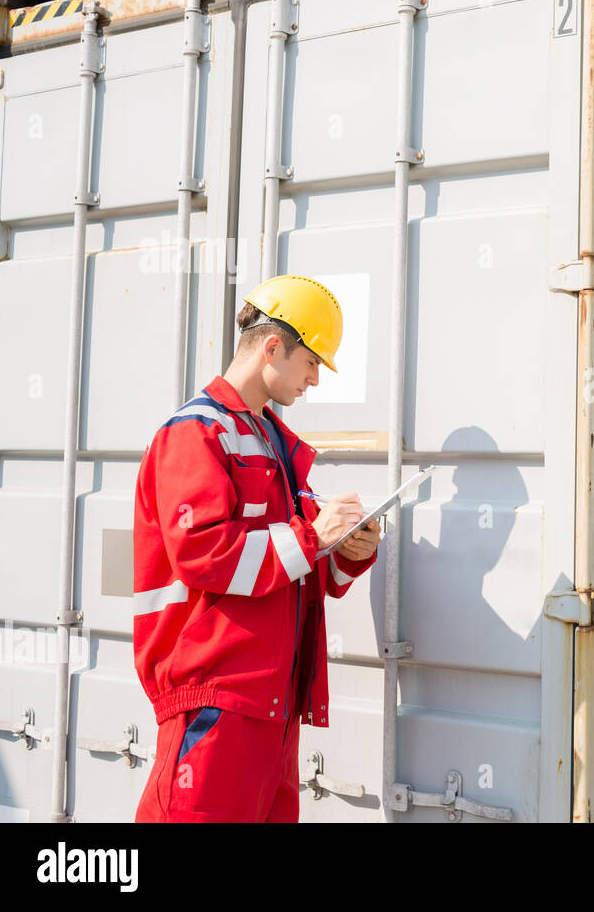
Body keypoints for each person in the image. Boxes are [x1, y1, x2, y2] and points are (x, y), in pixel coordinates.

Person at [132, 274, 382, 822]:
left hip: (274, 710)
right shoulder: (194, 433)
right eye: (312, 361)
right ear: (273, 347)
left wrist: (349, 550)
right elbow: (205, 553)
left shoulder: (275, 444)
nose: (315, 379)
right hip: (215, 701)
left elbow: (299, 568)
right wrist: (315, 535)